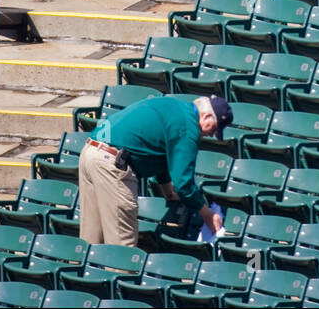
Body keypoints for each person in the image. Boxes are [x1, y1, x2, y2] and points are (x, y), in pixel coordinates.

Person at [79, 94, 233, 248]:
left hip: (90, 151)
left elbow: (162, 154)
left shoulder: (174, 106)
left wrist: (167, 191)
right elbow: (183, 184)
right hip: (112, 164)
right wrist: (206, 213)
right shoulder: (188, 127)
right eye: (214, 128)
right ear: (206, 117)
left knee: (91, 242)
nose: (211, 134)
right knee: (121, 249)